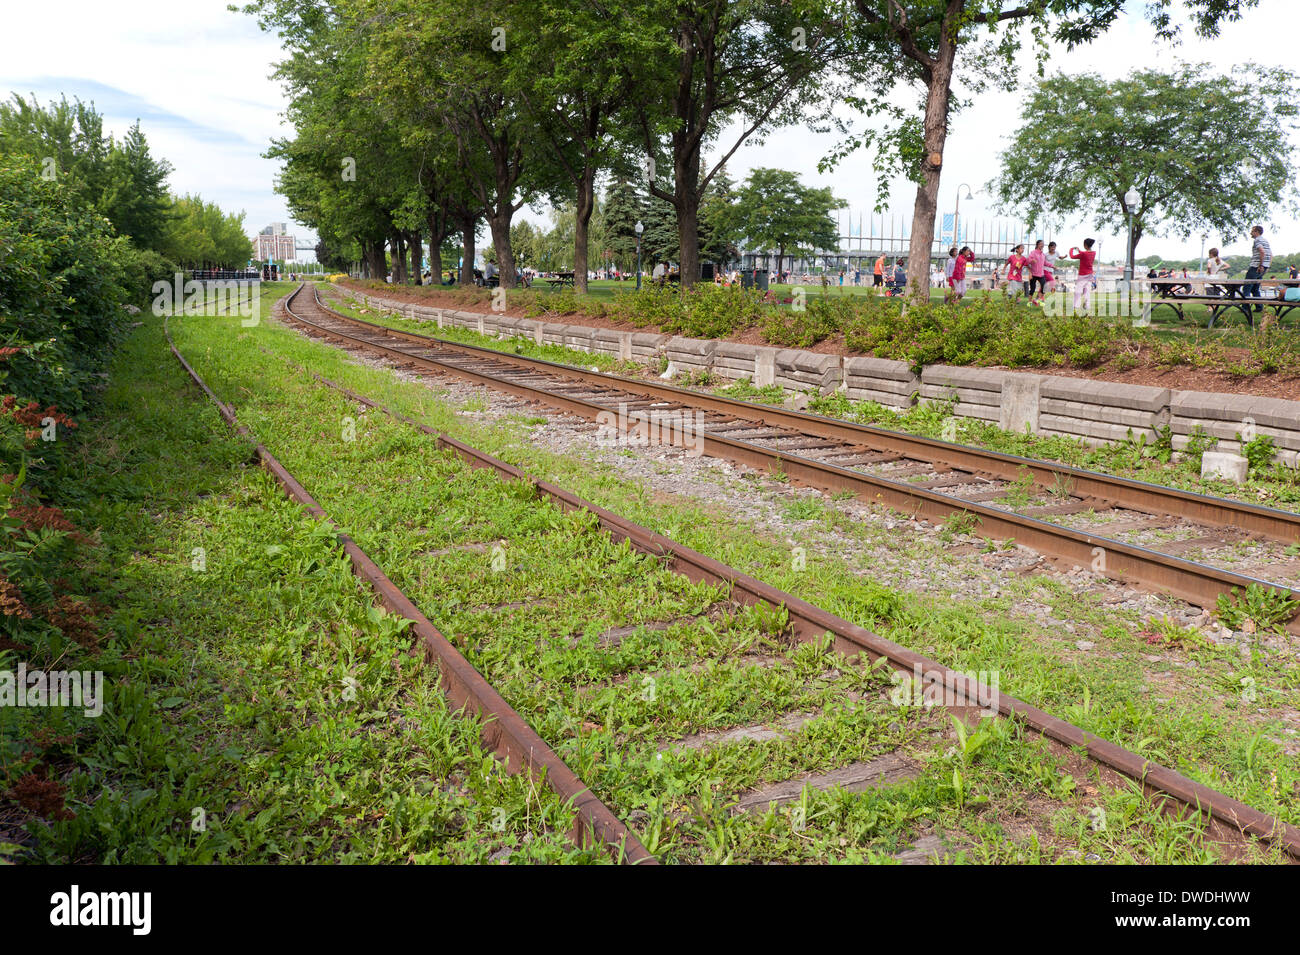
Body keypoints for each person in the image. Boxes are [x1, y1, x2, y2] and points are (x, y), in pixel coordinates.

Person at [1244, 224, 1272, 317]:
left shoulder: (1258, 240)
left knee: (1247, 287)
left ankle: (1245, 307)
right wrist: (1267, 266)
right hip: (1264, 267)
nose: (1251, 233)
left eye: (1252, 231)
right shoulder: (1266, 241)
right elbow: (1271, 255)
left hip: (1256, 266)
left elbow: (1262, 252)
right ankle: (1259, 307)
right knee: (1255, 288)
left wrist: (1261, 265)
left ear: (1256, 232)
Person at [1069, 238, 1097, 314]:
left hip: (1082, 275)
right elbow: (1084, 254)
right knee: (1087, 290)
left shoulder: (1083, 254)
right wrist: (1078, 250)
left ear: (1085, 245)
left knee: (1078, 291)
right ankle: (1087, 306)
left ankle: (1076, 306)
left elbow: (1072, 256)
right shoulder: (1094, 253)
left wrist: (1071, 249)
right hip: (1090, 274)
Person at [1026, 239, 1048, 305]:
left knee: (1045, 287)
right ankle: (1029, 302)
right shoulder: (1033, 252)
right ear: (1037, 245)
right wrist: (1032, 260)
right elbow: (1028, 260)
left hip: (1041, 274)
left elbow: (1045, 263)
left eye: (1043, 244)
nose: (1042, 245)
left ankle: (1038, 300)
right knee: (1032, 289)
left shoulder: (1043, 255)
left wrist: (1052, 266)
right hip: (1034, 274)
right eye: (1041, 243)